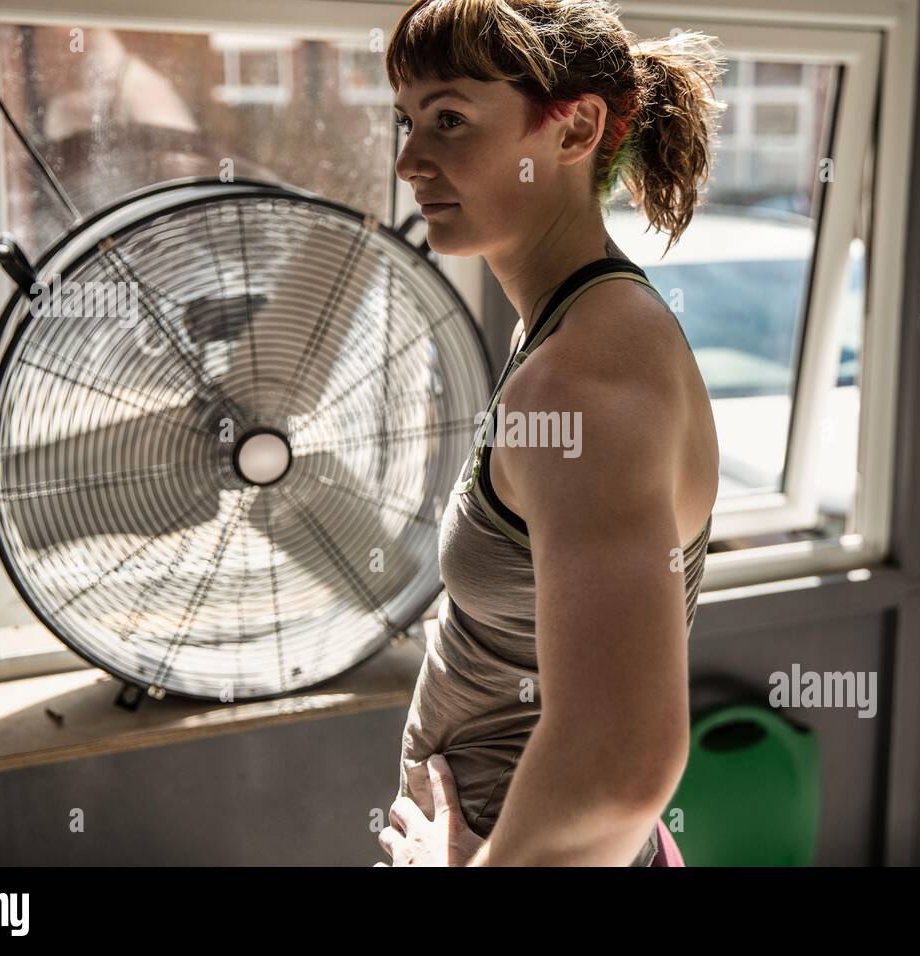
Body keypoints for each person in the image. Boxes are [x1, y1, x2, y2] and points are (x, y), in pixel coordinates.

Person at [376, 0, 724, 867]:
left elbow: (622, 768)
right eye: (408, 121)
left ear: (573, 133)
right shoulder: (571, 328)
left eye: (449, 119)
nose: (409, 160)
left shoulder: (585, 378)